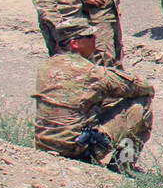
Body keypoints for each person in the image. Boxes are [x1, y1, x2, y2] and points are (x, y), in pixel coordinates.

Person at [33, 17, 153, 167]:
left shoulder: (46, 67)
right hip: (77, 149)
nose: (95, 39)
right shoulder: (91, 73)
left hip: (44, 145)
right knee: (142, 104)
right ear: (75, 43)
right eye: (89, 36)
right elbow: (143, 87)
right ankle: (123, 167)